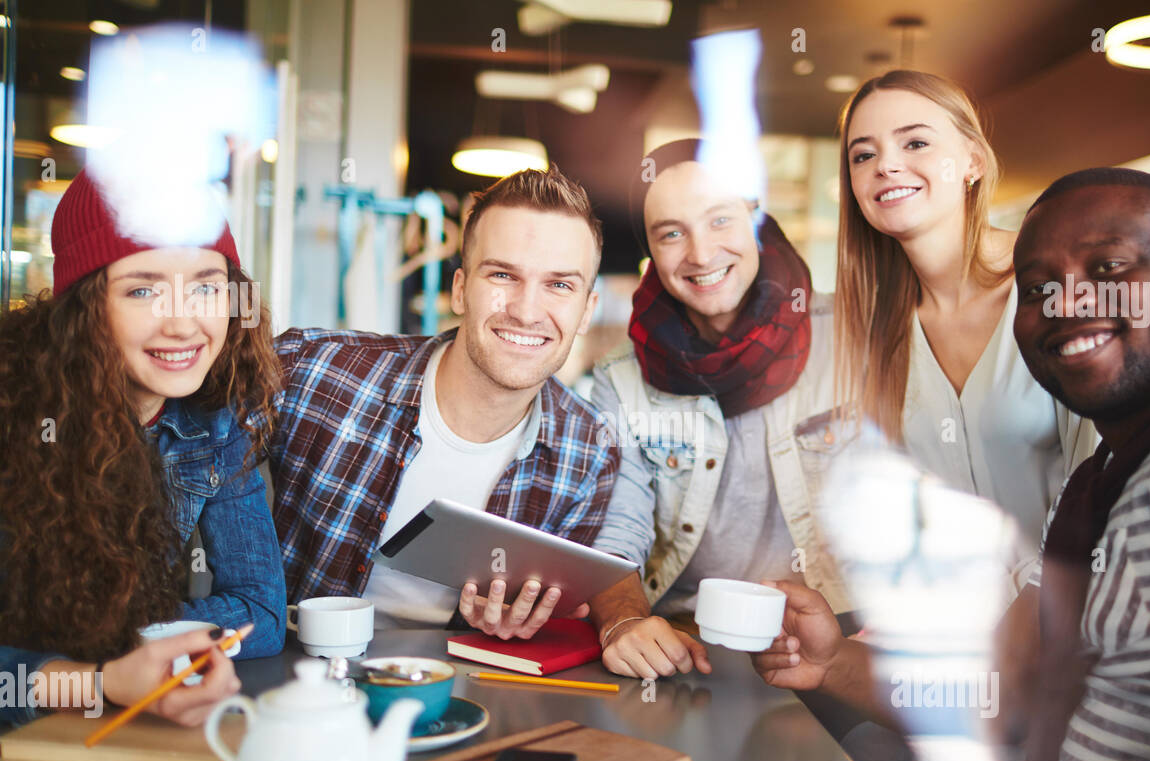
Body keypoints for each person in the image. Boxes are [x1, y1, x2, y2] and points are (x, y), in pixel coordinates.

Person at [754, 167, 1150, 761]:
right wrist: (830, 664)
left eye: (1107, 268)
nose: (1066, 303)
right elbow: (1009, 692)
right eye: (1037, 288)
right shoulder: (1099, 483)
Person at [270, 166, 618, 638]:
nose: (527, 311)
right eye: (502, 275)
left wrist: (510, 628)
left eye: (560, 285)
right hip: (290, 683)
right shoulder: (311, 370)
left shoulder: (590, 452)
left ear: (586, 311)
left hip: (460, 698)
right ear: (459, 289)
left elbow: (542, 635)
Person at [0, 169, 285, 727]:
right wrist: (107, 675)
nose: (182, 324)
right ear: (83, 307)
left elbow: (261, 612)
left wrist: (133, 651)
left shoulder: (216, 417)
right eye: (142, 289)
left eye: (205, 285)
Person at [589, 139, 850, 680]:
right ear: (651, 251)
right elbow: (616, 532)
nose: (702, 254)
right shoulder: (622, 375)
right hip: (688, 650)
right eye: (671, 233)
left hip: (832, 650)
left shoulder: (852, 339)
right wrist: (622, 622)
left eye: (721, 220)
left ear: (757, 216)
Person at [835, 71, 1096, 599]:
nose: (886, 164)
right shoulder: (877, 323)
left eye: (915, 142)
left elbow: (1104, 489)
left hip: (1079, 634)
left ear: (972, 162)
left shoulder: (1057, 290)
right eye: (863, 155)